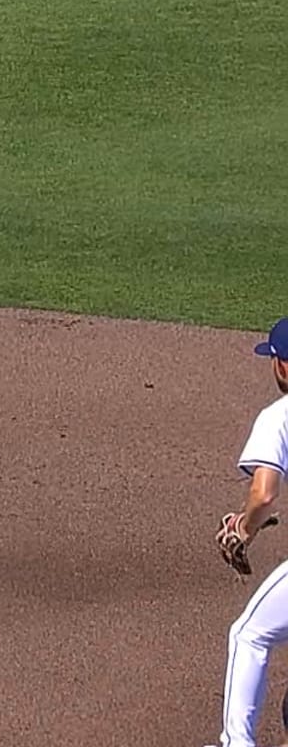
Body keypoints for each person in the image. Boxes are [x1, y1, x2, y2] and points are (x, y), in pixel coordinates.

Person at [206, 317, 288, 747]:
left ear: (284, 367)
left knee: (249, 634)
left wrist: (244, 526)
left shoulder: (279, 417)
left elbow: (264, 493)